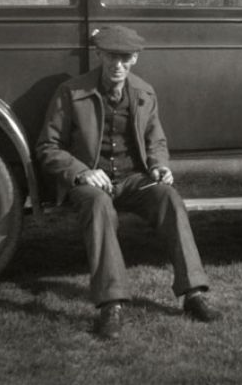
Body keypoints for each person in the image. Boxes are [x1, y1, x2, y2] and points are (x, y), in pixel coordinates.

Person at [36, 25, 221, 340]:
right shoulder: (72, 92)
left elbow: (156, 141)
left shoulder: (144, 93)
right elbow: (47, 147)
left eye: (124, 58)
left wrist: (159, 167)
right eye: (111, 57)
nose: (117, 65)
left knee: (169, 198)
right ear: (99, 55)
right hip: (90, 182)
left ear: (134, 58)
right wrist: (81, 172)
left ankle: (193, 294)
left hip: (134, 179)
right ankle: (111, 305)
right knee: (97, 205)